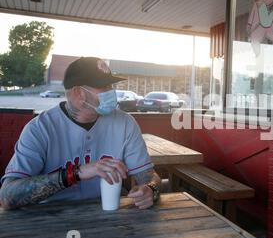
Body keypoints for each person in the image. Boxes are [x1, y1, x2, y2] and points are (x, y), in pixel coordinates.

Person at [0, 57, 161, 210]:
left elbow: (149, 177)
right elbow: (7, 197)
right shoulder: (39, 128)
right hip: (50, 219)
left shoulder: (125, 123)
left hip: (109, 217)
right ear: (78, 93)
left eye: (110, 86)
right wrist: (77, 173)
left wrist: (151, 189)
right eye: (103, 87)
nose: (110, 92)